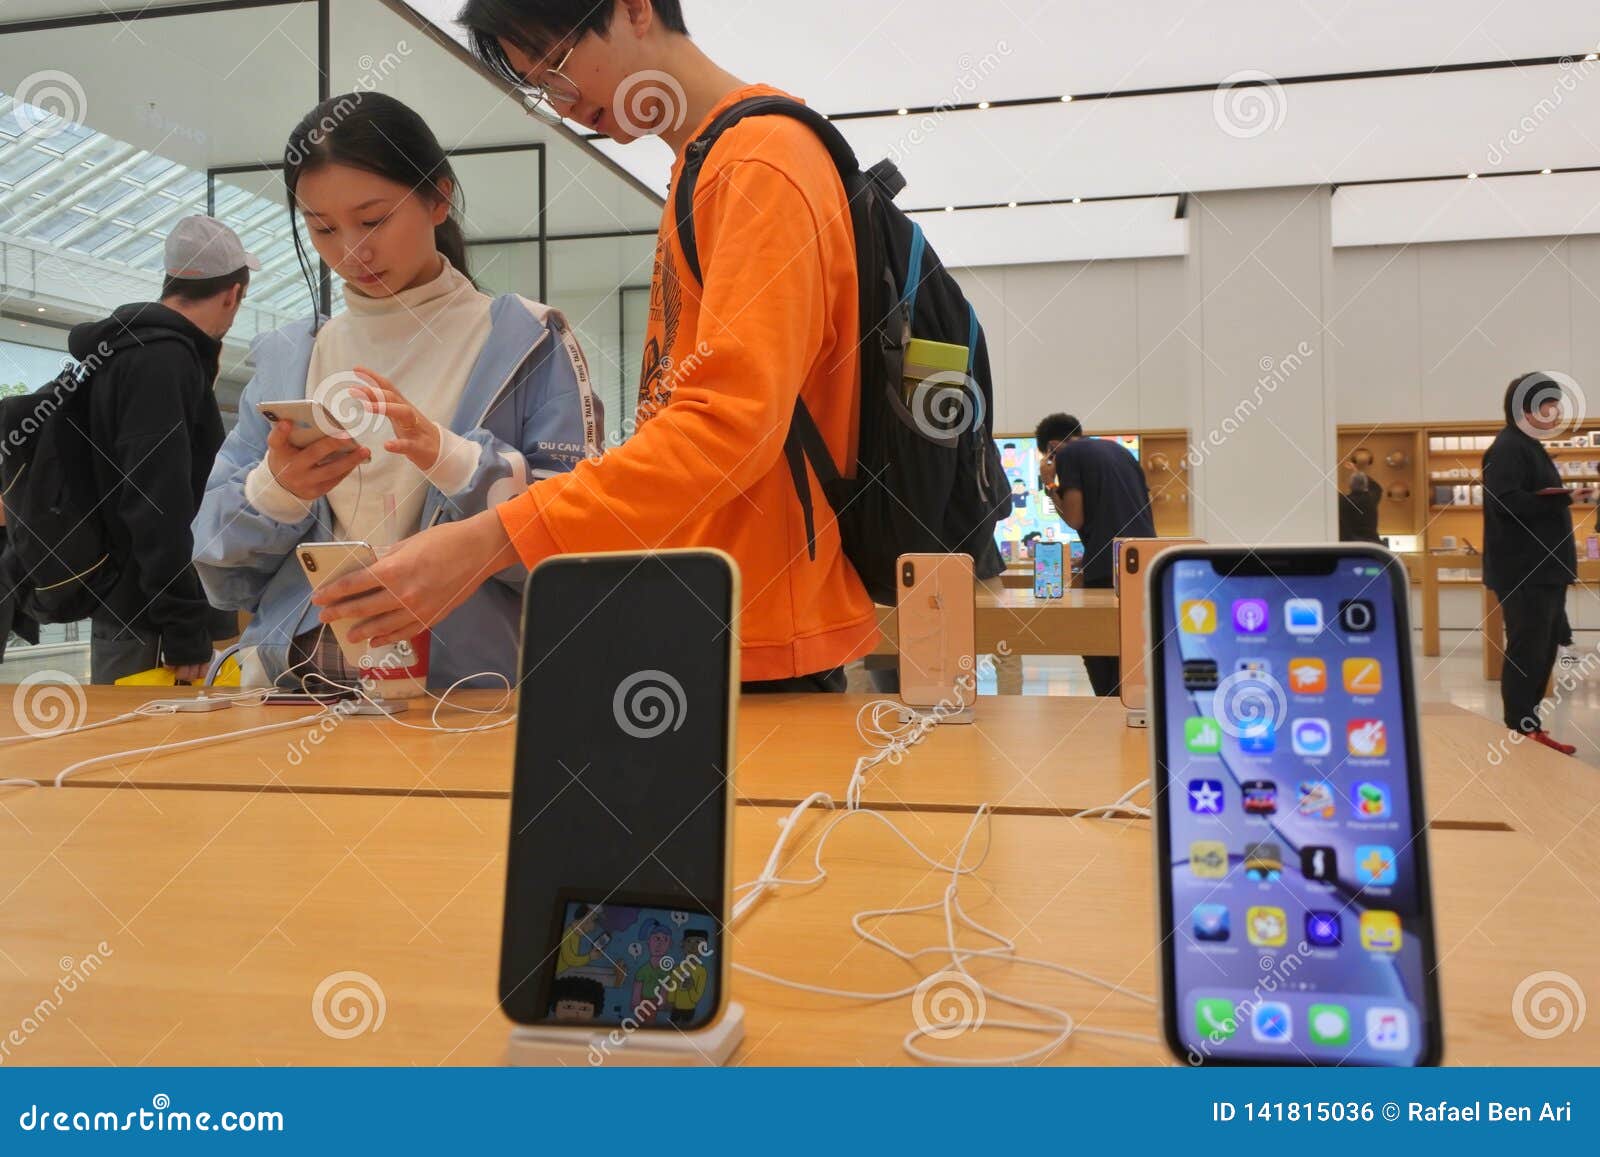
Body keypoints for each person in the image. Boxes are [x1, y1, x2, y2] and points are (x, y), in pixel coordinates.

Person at [310, 0, 879, 692]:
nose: (564, 100)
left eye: (557, 64)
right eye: (539, 87)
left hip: (760, 634)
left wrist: (491, 536)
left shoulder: (759, 163)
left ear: (635, 9)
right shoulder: (699, 171)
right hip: (706, 620)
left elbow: (729, 426)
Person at [192, 92, 599, 690]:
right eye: (323, 228)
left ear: (439, 197)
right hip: (294, 688)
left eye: (374, 219)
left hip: (462, 697)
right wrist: (277, 491)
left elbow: (576, 549)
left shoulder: (528, 341)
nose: (351, 251)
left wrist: (452, 458)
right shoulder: (290, 356)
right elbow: (219, 568)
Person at [70, 215, 248, 684]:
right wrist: (184, 623)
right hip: (148, 620)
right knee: (142, 749)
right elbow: (156, 499)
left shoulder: (129, 352)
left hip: (127, 604)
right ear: (233, 294)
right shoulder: (162, 361)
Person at [1482, 372, 1588, 755]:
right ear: (1527, 408)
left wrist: (1560, 495)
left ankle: (1531, 727)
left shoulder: (1529, 446)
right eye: (1550, 404)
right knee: (1528, 648)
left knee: (1543, 648)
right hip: (1524, 570)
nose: (1556, 411)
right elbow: (1505, 501)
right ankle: (1522, 728)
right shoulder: (1508, 448)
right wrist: (1558, 498)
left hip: (1543, 570)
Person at [1036, 412, 1154, 697]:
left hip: (1107, 570)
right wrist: (1092, 552)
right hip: (1143, 559)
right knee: (1132, 645)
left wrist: (1050, 485)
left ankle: (1108, 712)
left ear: (1053, 446)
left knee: (1098, 647)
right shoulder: (1120, 451)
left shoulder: (1070, 454)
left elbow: (1075, 518)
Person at [1338, 471, 1383, 544]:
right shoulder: (1372, 499)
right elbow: (1377, 487)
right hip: (1372, 545)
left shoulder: (1343, 501)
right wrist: (1355, 470)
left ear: (1350, 485)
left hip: (1351, 546)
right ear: (1366, 485)